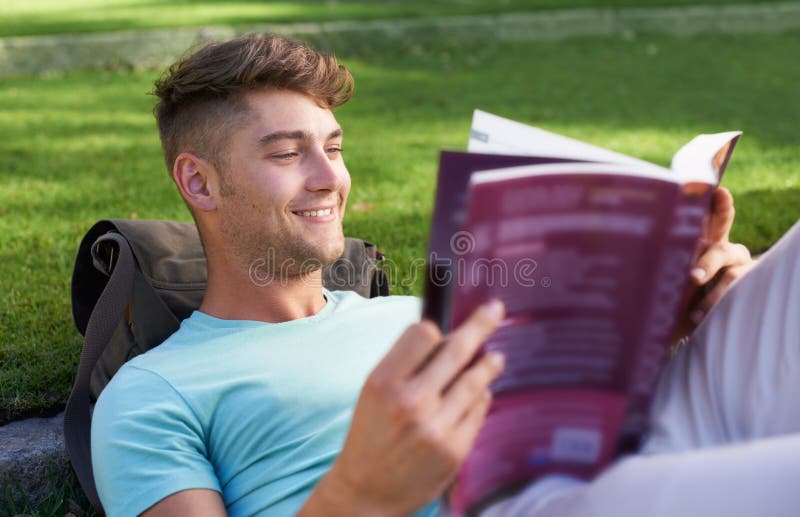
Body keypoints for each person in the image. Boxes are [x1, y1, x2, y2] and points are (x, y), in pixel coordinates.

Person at [90, 33, 769, 517]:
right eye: (287, 153)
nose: (331, 179)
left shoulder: (423, 311)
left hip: (624, 462)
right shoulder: (154, 394)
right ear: (199, 183)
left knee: (771, 281)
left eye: (333, 148)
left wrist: (664, 321)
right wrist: (361, 492)